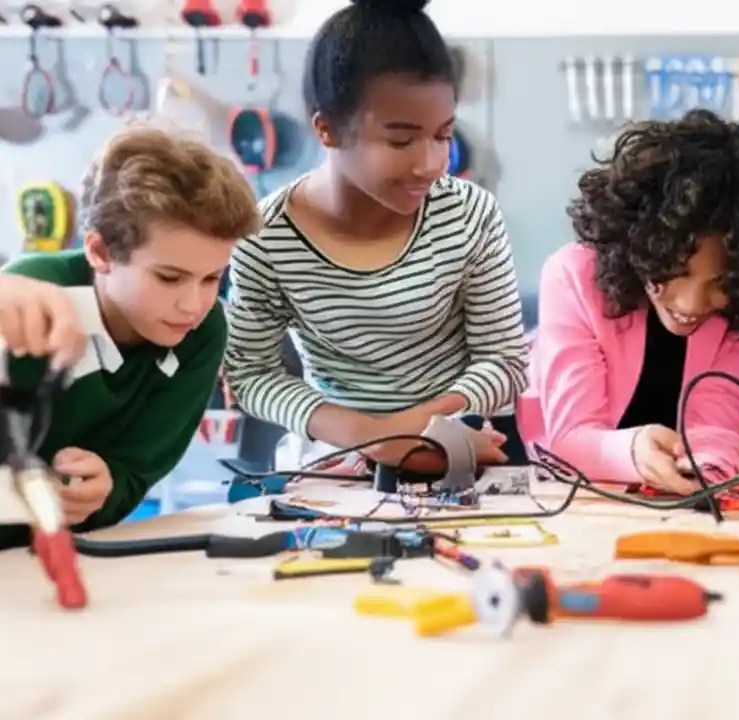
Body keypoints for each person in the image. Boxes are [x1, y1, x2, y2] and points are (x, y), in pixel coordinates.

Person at [224, 0, 526, 473]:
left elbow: (505, 362)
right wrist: (366, 437)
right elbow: (251, 375)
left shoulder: (470, 214)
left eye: (443, 136)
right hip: (336, 458)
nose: (431, 164)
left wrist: (408, 432)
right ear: (327, 129)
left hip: (463, 447)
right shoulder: (264, 238)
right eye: (401, 140)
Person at [517, 110, 739, 495]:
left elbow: (717, 424)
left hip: (668, 501)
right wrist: (632, 451)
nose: (691, 304)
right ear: (638, 242)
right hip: (564, 490)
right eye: (675, 271)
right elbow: (570, 440)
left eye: (722, 283)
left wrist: (705, 468)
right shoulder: (573, 276)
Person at [0, 125, 260, 549]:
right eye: (169, 277)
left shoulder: (204, 332)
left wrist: (106, 487)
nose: (194, 305)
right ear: (100, 252)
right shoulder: (27, 296)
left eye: (213, 278)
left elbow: (136, 471)